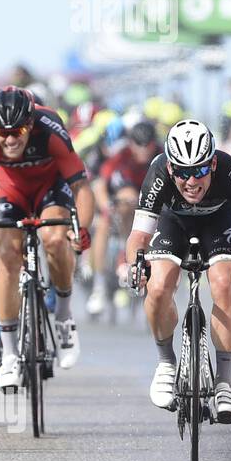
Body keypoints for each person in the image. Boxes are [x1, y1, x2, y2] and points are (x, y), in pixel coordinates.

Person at [127, 119, 231, 422]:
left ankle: (224, 382)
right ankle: (166, 362)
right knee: (158, 284)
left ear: (213, 163)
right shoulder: (156, 171)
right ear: (170, 169)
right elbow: (137, 236)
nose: (191, 181)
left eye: (200, 170)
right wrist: (136, 263)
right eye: (182, 172)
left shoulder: (230, 171)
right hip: (172, 223)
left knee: (222, 284)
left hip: (218, 223)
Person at [0, 87, 94, 387]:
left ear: (31, 123)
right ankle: (9, 355)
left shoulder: (51, 128)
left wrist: (82, 228)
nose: (10, 139)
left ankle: (63, 315)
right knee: (7, 256)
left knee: (53, 238)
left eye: (18, 131)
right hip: (8, 190)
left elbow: (81, 188)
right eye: (3, 133)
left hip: (50, 186)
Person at [87, 121, 160, 317]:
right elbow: (100, 185)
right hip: (122, 198)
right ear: (131, 143)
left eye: (148, 145)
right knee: (106, 221)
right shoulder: (121, 156)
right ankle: (99, 284)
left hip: (149, 201)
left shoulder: (162, 155)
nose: (144, 150)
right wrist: (106, 207)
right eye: (139, 145)